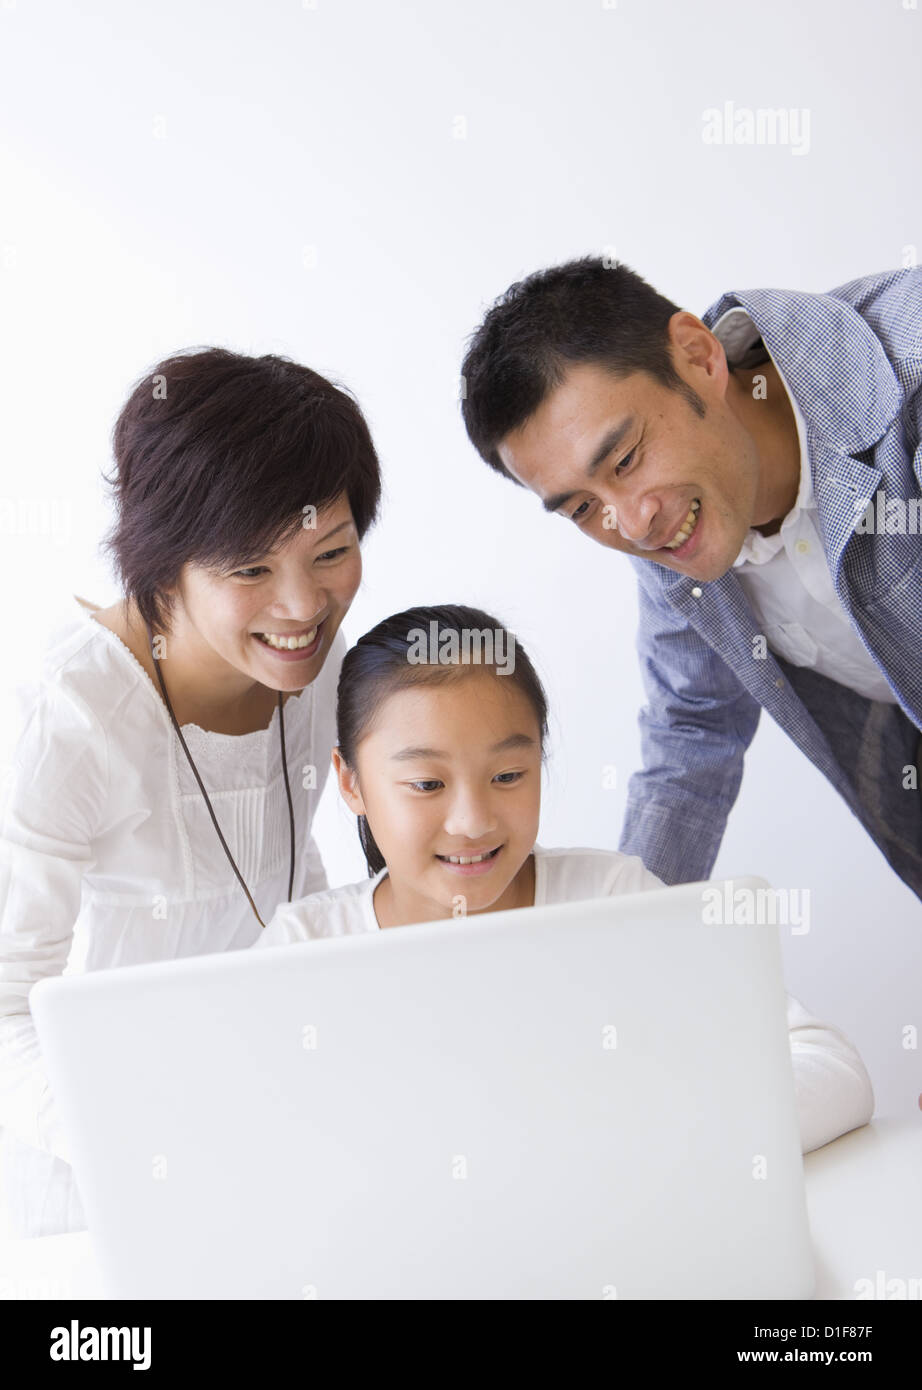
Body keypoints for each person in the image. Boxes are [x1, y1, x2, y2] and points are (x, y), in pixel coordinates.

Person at [254, 604, 875, 1155]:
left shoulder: (611, 902)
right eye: (427, 785)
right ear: (351, 782)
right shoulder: (306, 949)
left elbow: (831, 1069)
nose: (472, 822)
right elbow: (230, 1124)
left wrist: (648, 1136)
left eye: (508, 776)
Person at [0, 347, 381, 1236]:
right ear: (163, 562)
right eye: (250, 571)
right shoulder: (68, 719)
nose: (302, 606)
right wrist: (150, 1145)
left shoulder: (311, 655)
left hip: (274, 1135)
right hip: (92, 1180)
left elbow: (283, 868)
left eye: (332, 552)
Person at [458, 259, 922, 894]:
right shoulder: (674, 523)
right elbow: (693, 730)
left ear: (700, 357)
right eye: (583, 508)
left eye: (625, 459)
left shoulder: (910, 376)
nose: (634, 524)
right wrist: (632, 939)